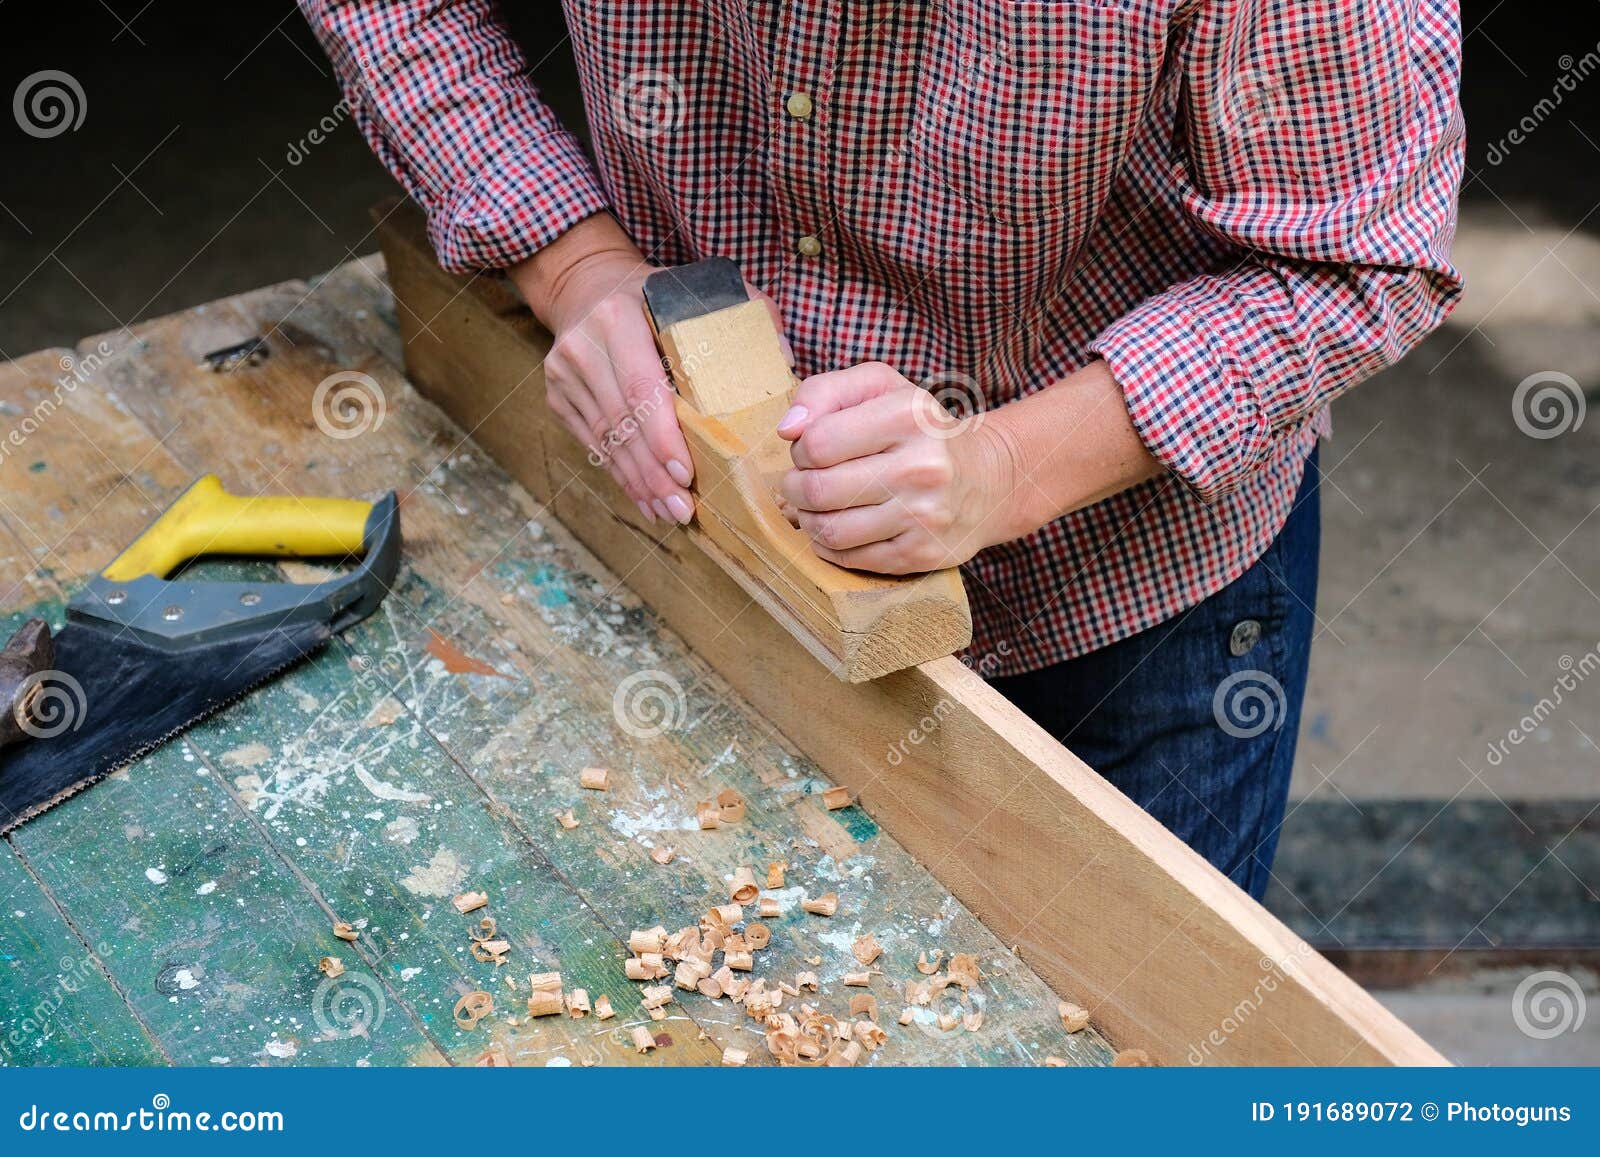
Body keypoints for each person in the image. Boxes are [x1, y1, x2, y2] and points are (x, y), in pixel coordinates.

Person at [300, 1, 1464, 899]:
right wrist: (574, 264)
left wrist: (1004, 466)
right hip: (700, 549)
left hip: (1129, 590)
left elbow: (1360, 251)